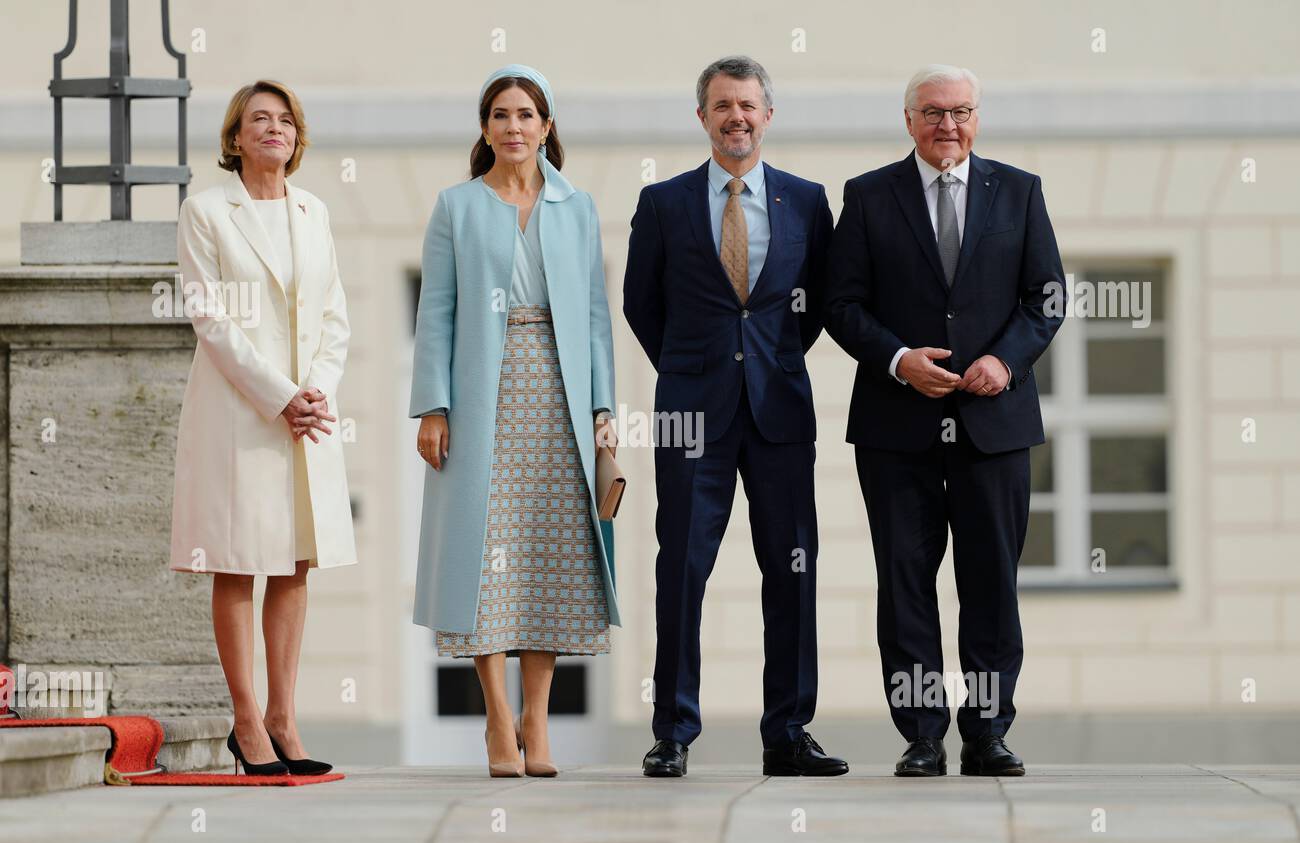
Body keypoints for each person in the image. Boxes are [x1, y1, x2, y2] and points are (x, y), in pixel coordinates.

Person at [824, 64, 1066, 777]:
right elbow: (841, 305)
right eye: (932, 112)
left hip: (996, 423)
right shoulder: (869, 197)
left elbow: (1046, 296)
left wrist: (1008, 361)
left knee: (990, 582)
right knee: (905, 583)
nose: (947, 125)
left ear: (978, 118)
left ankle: (987, 733)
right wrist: (899, 359)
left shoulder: (1019, 191)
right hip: (898, 428)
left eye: (960, 112)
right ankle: (922, 735)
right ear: (908, 121)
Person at [624, 55, 845, 778]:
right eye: (722, 106)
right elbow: (641, 305)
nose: (736, 117)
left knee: (791, 570)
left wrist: (768, 360)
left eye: (748, 105)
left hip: (780, 411)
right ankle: (673, 732)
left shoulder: (807, 202)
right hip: (692, 417)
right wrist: (693, 369)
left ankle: (787, 733)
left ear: (767, 115)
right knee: (681, 569)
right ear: (702, 118)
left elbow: (816, 304)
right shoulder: (663, 204)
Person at [410, 64, 620, 778]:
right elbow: (435, 311)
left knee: (550, 558)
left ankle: (538, 718)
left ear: (547, 127)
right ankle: (498, 722)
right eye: (501, 114)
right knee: (481, 563)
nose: (514, 126)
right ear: (485, 128)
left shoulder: (577, 206)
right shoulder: (456, 206)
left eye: (526, 114)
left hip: (559, 393)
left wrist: (603, 414)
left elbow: (595, 316)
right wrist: (433, 406)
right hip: (480, 393)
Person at [170, 79, 355, 776]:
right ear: (236, 138)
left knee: (295, 557)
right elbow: (209, 317)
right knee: (238, 557)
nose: (273, 128)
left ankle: (285, 717)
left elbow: (335, 314)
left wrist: (315, 393)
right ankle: (246, 721)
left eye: (284, 120)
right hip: (239, 411)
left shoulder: (313, 211)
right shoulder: (207, 212)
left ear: (296, 137)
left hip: (306, 415)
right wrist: (278, 396)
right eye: (259, 120)